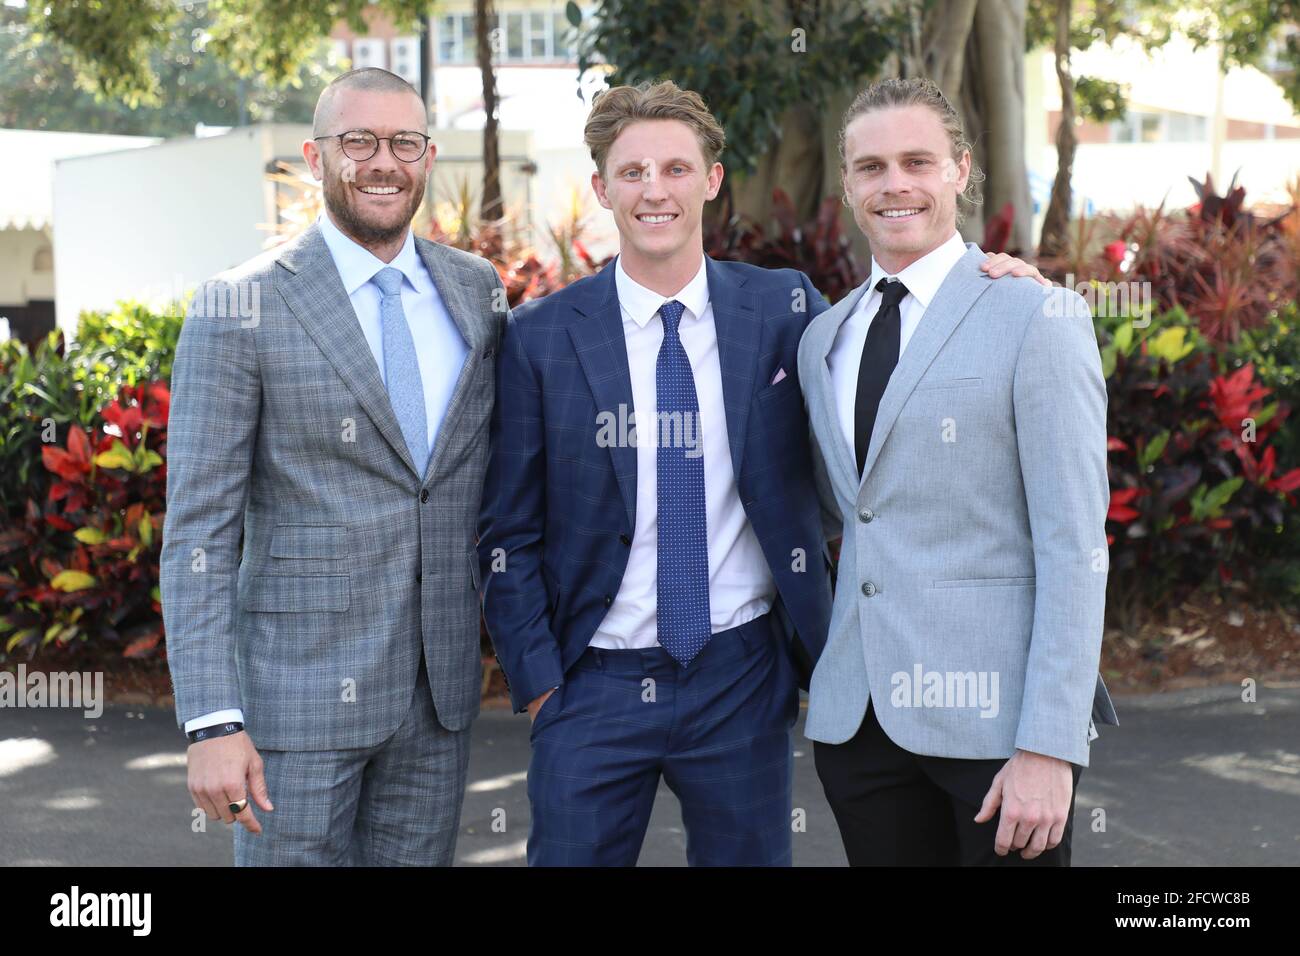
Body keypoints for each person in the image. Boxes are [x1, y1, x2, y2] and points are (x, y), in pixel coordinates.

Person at [476, 80, 1043, 866]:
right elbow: (508, 525)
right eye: (632, 173)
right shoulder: (540, 337)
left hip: (739, 678)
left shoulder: (786, 309)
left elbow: (900, 332)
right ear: (602, 188)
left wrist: (999, 287)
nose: (654, 191)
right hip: (593, 685)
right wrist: (540, 684)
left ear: (711, 181)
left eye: (676, 169)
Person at [161, 67, 505, 866]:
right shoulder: (237, 307)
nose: (383, 161)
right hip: (294, 706)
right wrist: (213, 720)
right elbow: (198, 532)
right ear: (315, 159)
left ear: (427, 158)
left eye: (405, 142)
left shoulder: (476, 291)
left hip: (437, 701)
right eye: (359, 141)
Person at [798, 77, 1119, 867]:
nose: (895, 183)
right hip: (860, 730)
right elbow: (847, 514)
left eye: (918, 160)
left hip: (998, 734)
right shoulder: (822, 339)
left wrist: (1051, 744)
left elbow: (1076, 544)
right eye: (871, 167)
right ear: (848, 183)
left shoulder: (1036, 315)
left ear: (961, 170)